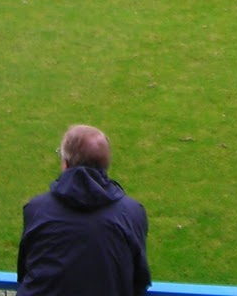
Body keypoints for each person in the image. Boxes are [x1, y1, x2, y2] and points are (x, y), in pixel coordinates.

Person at [16, 124, 150, 296]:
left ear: (65, 164)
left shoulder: (36, 209)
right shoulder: (132, 213)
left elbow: (25, 271)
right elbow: (139, 280)